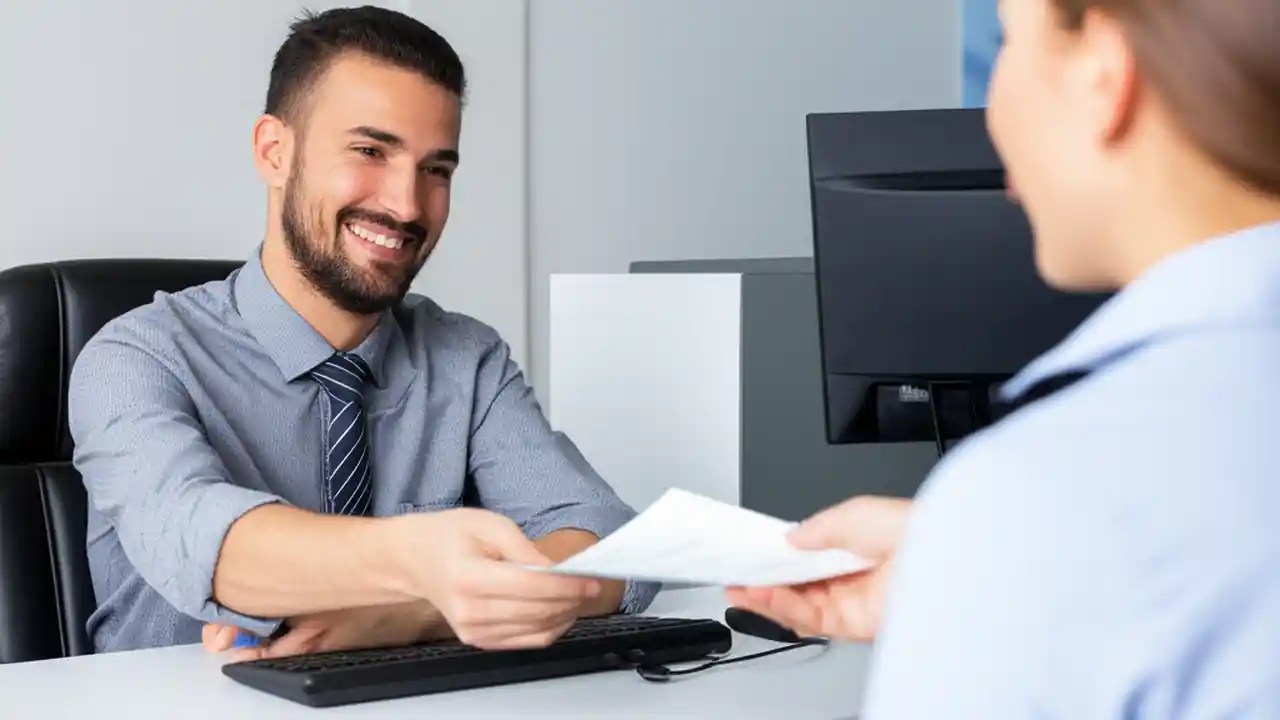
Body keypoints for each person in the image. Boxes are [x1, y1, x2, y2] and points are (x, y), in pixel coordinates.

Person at [730, 0, 1280, 716]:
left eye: (1008, 45)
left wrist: (1002, 553)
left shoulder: (1042, 498)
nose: (989, 111)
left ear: (1103, 74)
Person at [68, 6, 655, 659]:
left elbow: (606, 542)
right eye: (370, 151)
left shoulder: (465, 359)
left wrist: (412, 616)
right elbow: (209, 545)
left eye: (436, 170)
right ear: (275, 152)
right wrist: (425, 559)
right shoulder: (135, 357)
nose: (407, 206)